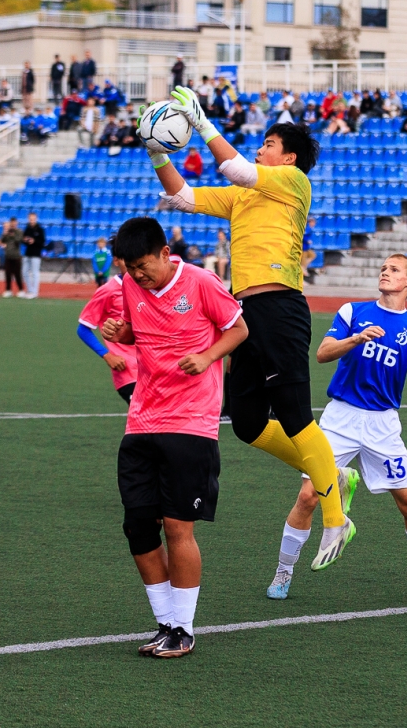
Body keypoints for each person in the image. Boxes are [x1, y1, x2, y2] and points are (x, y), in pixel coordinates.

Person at [150, 87, 357, 569]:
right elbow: (181, 197)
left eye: (268, 143)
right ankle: (331, 474)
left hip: (281, 307)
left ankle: (334, 516)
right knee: (245, 422)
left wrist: (203, 126)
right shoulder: (246, 194)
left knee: (293, 412)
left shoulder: (292, 182)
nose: (261, 149)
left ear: (288, 157)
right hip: (244, 314)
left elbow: (239, 167)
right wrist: (157, 150)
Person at [98, 216, 248, 658]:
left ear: (166, 253)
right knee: (138, 525)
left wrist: (207, 357)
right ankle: (165, 623)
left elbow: (239, 329)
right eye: (129, 267)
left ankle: (183, 628)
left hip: (191, 422)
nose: (138, 275)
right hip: (142, 418)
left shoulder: (201, 282)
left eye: (143, 265)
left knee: (178, 527)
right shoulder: (130, 284)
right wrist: (116, 333)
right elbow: (133, 330)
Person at [267, 255, 407, 600]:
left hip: (382, 426)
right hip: (340, 419)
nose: (385, 272)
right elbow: (322, 353)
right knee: (308, 496)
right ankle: (283, 572)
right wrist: (355, 339)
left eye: (394, 270)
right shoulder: (353, 312)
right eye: (383, 267)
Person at [77, 250, 140, 404]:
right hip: (128, 371)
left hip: (152, 368)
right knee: (149, 422)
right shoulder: (108, 291)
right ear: (116, 261)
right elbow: (83, 329)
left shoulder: (146, 288)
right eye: (127, 259)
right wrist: (107, 355)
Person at [0, 217, 25, 298]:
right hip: (8, 256)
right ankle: (8, 290)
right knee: (8, 274)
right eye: (12, 223)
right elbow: (2, 240)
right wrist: (5, 233)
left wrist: (13, 235)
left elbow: (19, 240)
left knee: (17, 274)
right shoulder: (7, 232)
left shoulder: (19, 232)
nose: (13, 225)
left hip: (16, 256)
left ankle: (21, 290)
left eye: (14, 223)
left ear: (16, 223)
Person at [22, 212, 46, 299]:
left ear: (36, 219)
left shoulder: (40, 229)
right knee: (24, 272)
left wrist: (34, 241)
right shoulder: (27, 229)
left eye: (33, 219)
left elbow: (42, 242)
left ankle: (35, 292)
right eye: (30, 219)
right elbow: (23, 240)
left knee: (35, 273)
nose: (31, 221)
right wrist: (25, 240)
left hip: (36, 254)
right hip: (28, 253)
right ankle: (29, 290)